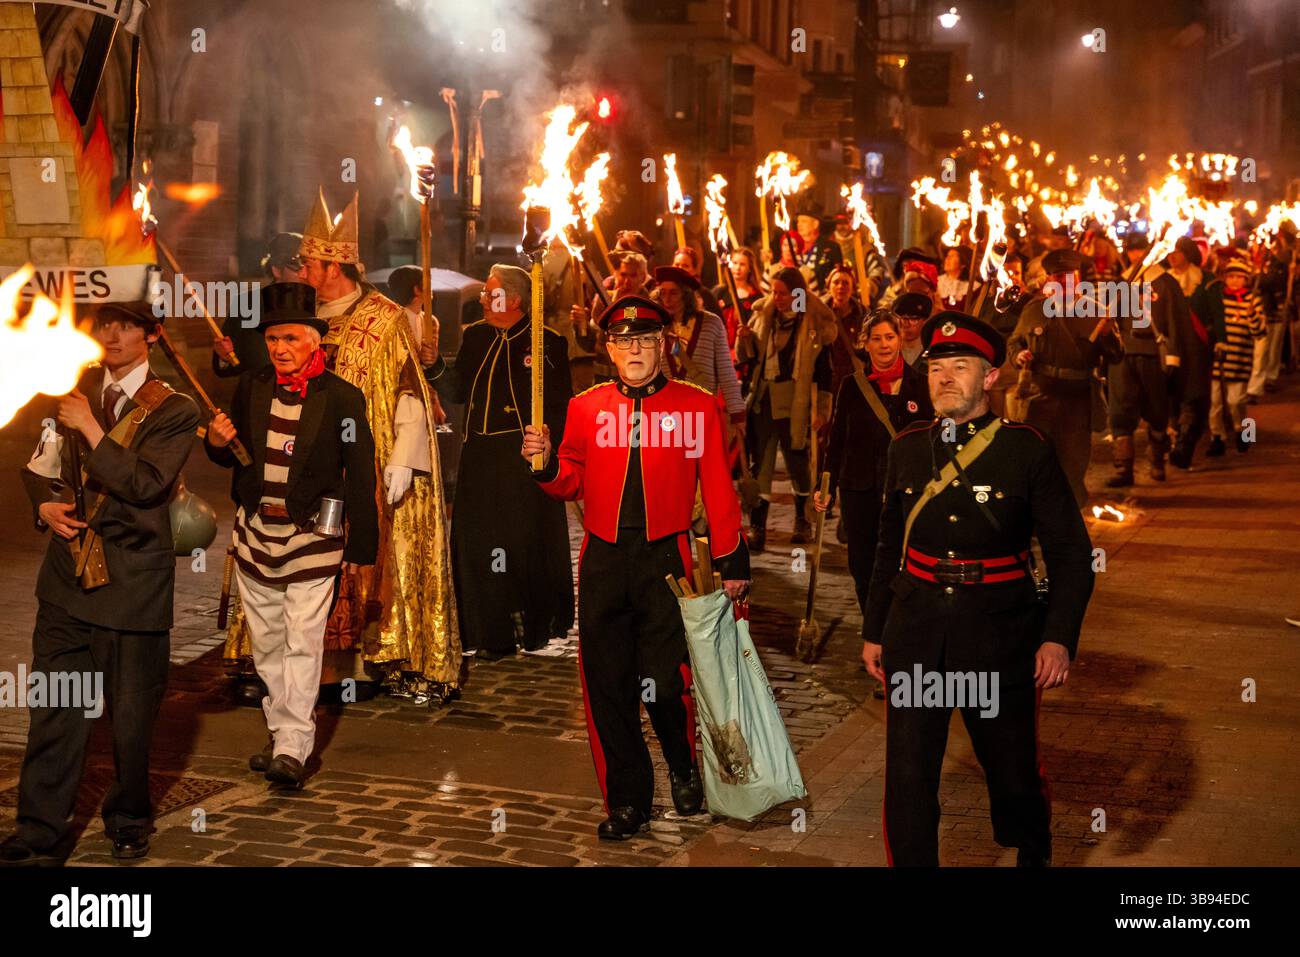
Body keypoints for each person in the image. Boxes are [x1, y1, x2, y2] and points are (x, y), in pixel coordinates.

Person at [862, 311, 1095, 867]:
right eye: (937, 366)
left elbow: (1070, 555)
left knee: (1013, 775)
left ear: (990, 377)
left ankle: (1032, 851)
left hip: (1001, 636)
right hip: (917, 633)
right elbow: (885, 546)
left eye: (960, 366)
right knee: (910, 777)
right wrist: (875, 630)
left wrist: (1057, 637)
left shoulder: (1026, 449)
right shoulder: (907, 447)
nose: (944, 377)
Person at [522, 295, 751, 839]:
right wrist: (548, 462)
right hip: (603, 556)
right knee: (607, 682)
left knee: (665, 681)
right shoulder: (586, 406)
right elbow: (570, 480)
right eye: (624, 341)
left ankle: (682, 760)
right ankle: (628, 799)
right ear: (608, 347)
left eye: (645, 340)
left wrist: (731, 558)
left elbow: (718, 486)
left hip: (666, 559)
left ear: (664, 344)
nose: (634, 350)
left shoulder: (696, 407)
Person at [224, 188, 460, 703]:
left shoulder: (386, 318)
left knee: (356, 564)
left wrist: (403, 457)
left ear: (333, 264)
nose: (300, 269)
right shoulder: (297, 318)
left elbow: (408, 391)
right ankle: (290, 671)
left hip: (364, 466)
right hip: (296, 471)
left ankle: (365, 663)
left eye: (307, 261)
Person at [2, 303, 200, 865]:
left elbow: (145, 484)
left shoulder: (174, 409)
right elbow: (36, 465)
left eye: (128, 324)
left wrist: (90, 425)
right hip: (66, 579)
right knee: (54, 711)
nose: (113, 335)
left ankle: (129, 816)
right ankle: (40, 829)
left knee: (131, 718)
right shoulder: (70, 390)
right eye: (104, 324)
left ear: (152, 334)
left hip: (133, 583)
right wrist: (45, 505)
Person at [205, 283, 378, 789]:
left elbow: (359, 474)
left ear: (314, 342)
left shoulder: (343, 398)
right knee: (268, 645)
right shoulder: (252, 387)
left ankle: (293, 747)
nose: (279, 348)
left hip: (313, 539)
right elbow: (233, 453)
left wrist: (361, 548)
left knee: (303, 641)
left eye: (290, 339)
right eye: (272, 338)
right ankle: (283, 731)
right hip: (258, 534)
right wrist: (217, 445)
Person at [425, 265, 574, 658]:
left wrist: (547, 443)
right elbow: (457, 391)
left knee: (521, 542)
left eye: (489, 293)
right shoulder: (475, 337)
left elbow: (561, 405)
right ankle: (484, 630)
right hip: (479, 455)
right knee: (478, 542)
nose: (482, 300)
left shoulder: (547, 342)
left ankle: (534, 627)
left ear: (515, 299)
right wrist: (434, 365)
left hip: (520, 456)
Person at [815, 311, 931, 615]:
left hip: (905, 490)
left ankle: (897, 623)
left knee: (900, 559)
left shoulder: (921, 385)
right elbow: (836, 439)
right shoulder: (852, 386)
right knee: (862, 562)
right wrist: (826, 483)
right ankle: (872, 623)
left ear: (900, 340)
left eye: (889, 337)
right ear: (865, 343)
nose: (884, 345)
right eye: (876, 338)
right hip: (859, 488)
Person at [1006, 249, 1124, 506]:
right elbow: (1014, 342)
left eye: (1068, 276)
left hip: (1078, 398)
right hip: (1041, 395)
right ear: (1048, 279)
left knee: (1073, 461)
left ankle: (1071, 516)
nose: (1062, 281)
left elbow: (1116, 356)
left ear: (1078, 277)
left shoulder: (1096, 311)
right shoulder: (1035, 309)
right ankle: (1038, 514)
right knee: (1038, 458)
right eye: (1057, 276)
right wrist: (1020, 356)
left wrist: (1106, 336)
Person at [737, 266, 835, 550]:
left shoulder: (812, 323)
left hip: (796, 401)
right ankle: (757, 527)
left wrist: (822, 411)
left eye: (783, 293)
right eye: (774, 292)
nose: (777, 298)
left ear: (797, 295)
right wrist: (744, 339)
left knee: (797, 464)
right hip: (764, 398)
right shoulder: (763, 318)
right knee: (762, 465)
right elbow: (749, 358)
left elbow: (824, 373)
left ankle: (802, 521)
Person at [1105, 235, 1185, 486]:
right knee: (1120, 411)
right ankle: (1124, 469)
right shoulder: (1122, 282)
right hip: (1123, 354)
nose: (1137, 256)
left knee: (1157, 410)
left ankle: (1157, 461)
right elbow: (1110, 321)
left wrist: (1173, 355)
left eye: (1141, 251)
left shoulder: (1166, 282)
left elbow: (1175, 321)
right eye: (1133, 251)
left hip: (1153, 353)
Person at [652, 265, 745, 431]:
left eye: (673, 293)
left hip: (702, 412)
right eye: (663, 293)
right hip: (667, 415)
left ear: (686, 295)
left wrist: (737, 413)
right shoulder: (654, 327)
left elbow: (726, 372)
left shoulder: (711, 323)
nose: (667, 299)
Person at [212, 232, 302, 378]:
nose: (305, 273)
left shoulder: (318, 304)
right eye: (298, 267)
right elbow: (230, 365)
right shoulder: (248, 304)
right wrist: (225, 357)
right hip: (260, 397)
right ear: (277, 270)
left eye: (309, 265)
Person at [1209, 254, 1266, 455]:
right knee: (1215, 401)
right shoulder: (1219, 299)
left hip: (1240, 358)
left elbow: (1259, 332)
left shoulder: (1253, 299)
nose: (1234, 280)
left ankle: (1244, 431)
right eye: (1231, 276)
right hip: (1219, 358)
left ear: (1246, 279)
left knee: (1236, 401)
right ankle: (1217, 437)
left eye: (1239, 277)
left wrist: (1252, 316)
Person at [571, 250, 650, 388]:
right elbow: (590, 344)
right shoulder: (603, 300)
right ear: (616, 274)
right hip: (603, 380)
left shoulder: (650, 305)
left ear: (642, 277)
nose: (627, 281)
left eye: (633, 275)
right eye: (623, 274)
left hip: (637, 382)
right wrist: (581, 325)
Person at [831, 213, 888, 305]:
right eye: (839, 223)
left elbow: (876, 270)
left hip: (859, 298)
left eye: (845, 223)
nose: (842, 227)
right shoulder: (829, 247)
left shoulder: (864, 248)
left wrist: (868, 286)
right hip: (834, 298)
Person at [893, 292, 934, 371]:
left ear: (924, 321)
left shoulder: (932, 351)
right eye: (902, 318)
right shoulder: (889, 348)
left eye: (913, 319)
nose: (906, 324)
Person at [936, 246, 973, 311]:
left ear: (963, 264)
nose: (948, 258)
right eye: (947, 255)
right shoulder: (936, 282)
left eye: (952, 256)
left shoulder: (972, 287)